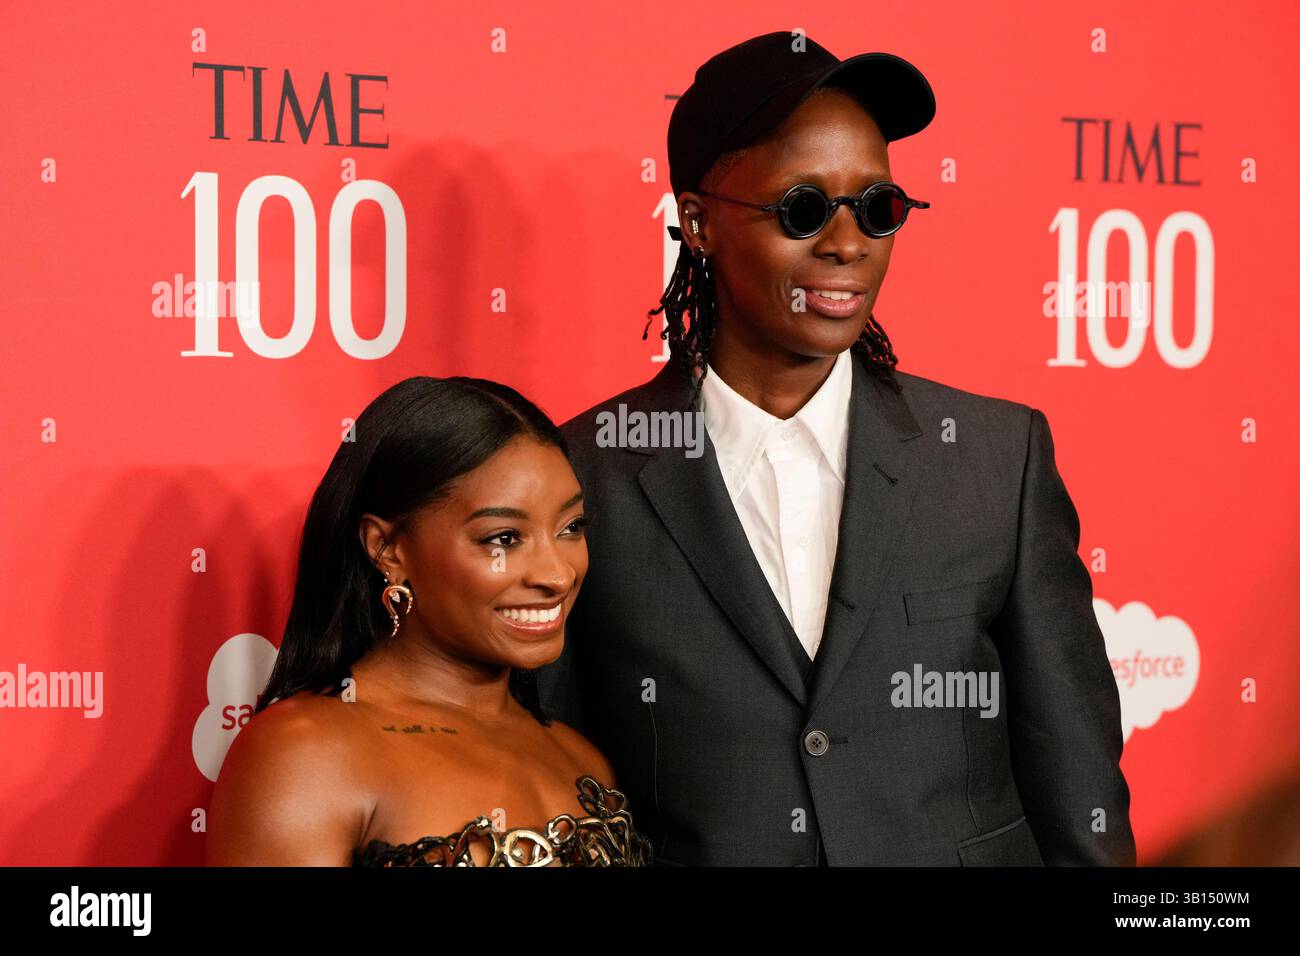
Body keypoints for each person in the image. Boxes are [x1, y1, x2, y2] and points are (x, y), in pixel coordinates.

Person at [534, 31, 1137, 866]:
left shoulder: (998, 459)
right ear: (698, 223)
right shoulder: (583, 474)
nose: (848, 243)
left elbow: (1077, 780)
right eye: (803, 208)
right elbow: (554, 781)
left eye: (878, 206)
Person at [206, 376, 652, 866]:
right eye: (503, 537)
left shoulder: (580, 760)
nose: (557, 573)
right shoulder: (305, 755)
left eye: (571, 527)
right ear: (387, 549)